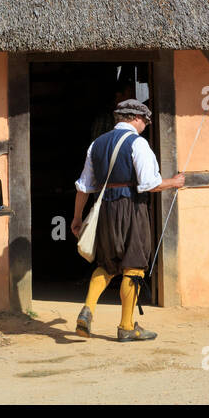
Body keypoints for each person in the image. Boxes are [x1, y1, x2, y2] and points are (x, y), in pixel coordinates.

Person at [71, 98, 184, 341]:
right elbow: (149, 184)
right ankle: (126, 327)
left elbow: (83, 186)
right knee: (134, 266)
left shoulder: (96, 145)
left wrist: (77, 217)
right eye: (145, 120)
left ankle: (87, 309)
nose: (146, 124)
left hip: (104, 210)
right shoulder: (138, 143)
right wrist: (174, 182)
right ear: (135, 118)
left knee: (107, 263)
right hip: (131, 207)